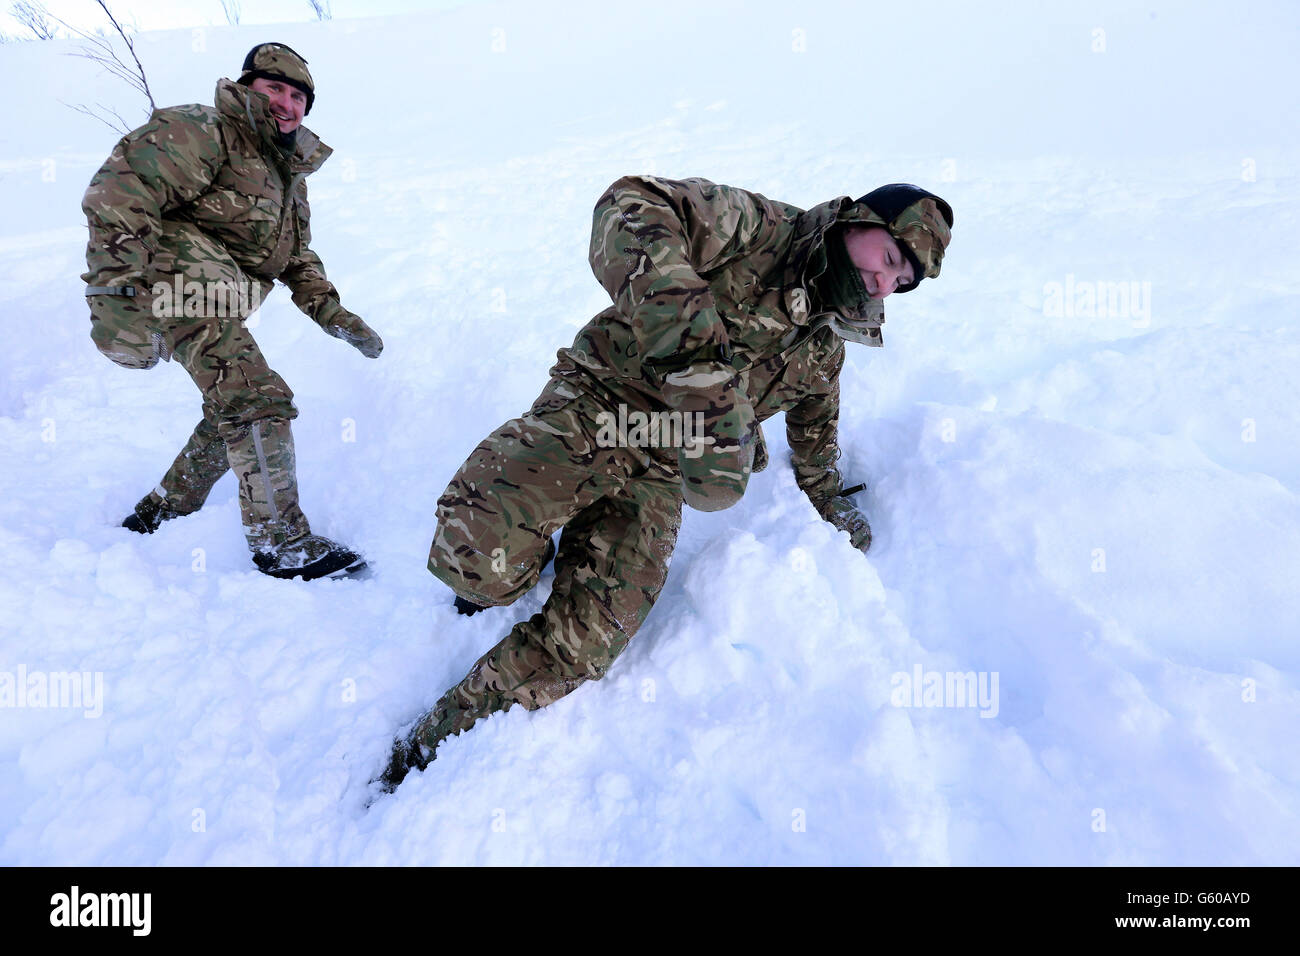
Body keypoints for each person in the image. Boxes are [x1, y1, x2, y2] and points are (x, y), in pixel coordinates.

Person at [379, 176, 952, 789]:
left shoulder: (824, 349)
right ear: (858, 219)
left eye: (902, 283)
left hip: (661, 467)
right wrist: (694, 358)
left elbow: (815, 425)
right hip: (601, 399)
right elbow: (628, 205)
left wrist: (827, 494)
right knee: (474, 558)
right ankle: (530, 545)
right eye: (890, 258)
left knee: (592, 636)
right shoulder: (760, 231)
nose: (884, 283)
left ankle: (441, 740)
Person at [80, 42, 382, 580]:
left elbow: (295, 256)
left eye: (298, 96)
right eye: (274, 88)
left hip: (216, 299)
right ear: (247, 89)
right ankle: (281, 544)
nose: (287, 103)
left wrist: (334, 313)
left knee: (230, 410)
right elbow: (121, 191)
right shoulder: (207, 130)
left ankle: (162, 511)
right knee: (259, 400)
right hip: (172, 286)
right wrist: (116, 292)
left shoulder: (286, 175)